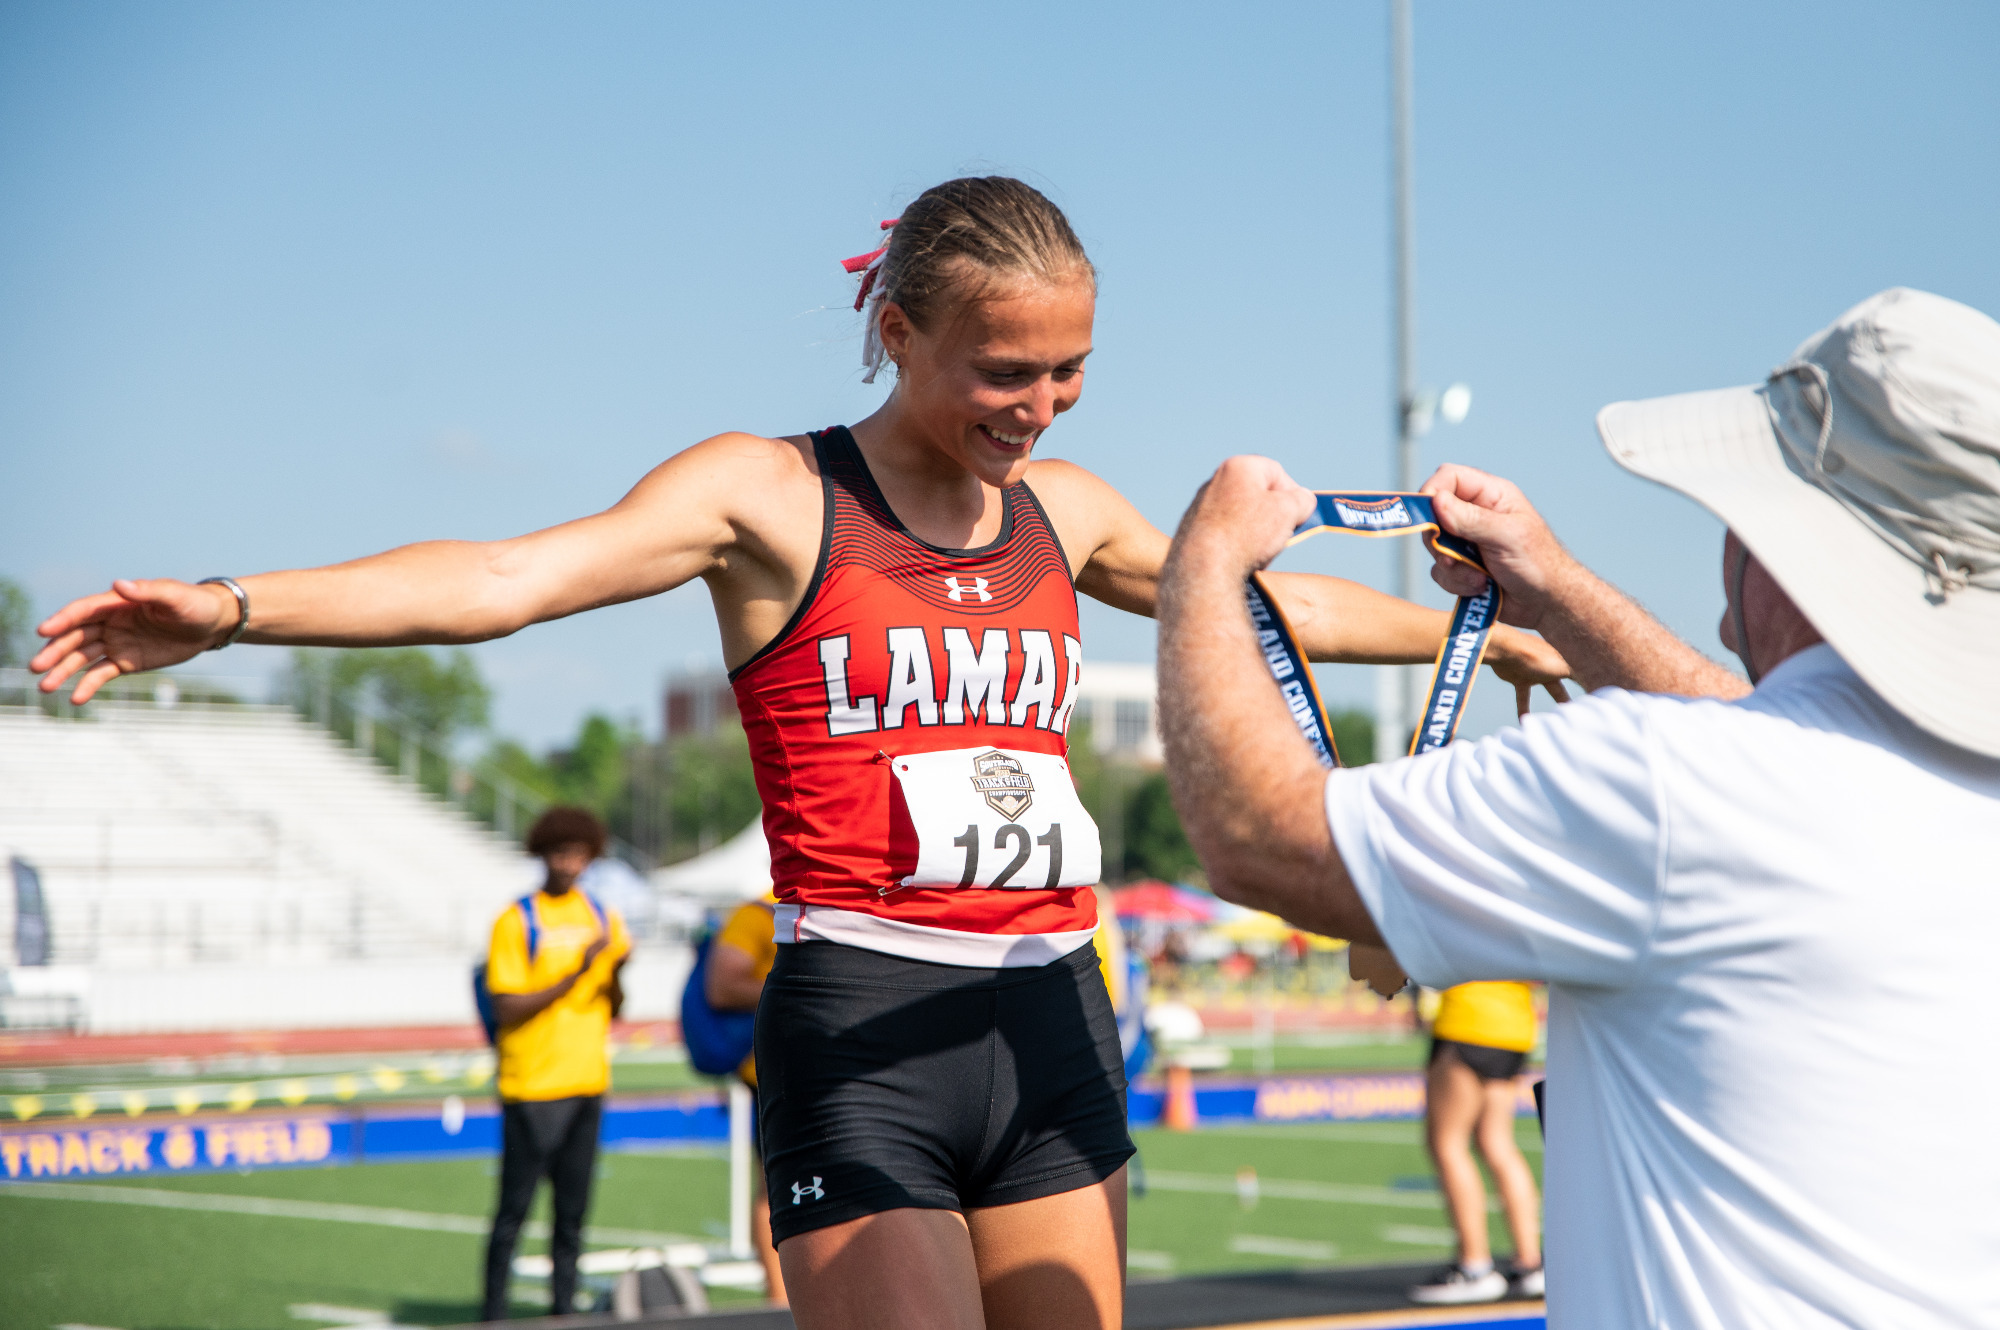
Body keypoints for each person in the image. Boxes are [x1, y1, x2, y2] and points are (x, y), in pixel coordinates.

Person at [28, 175, 1566, 1330]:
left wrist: (1487, 634)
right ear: (895, 331)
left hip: (1055, 1016)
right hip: (868, 1022)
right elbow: (505, 580)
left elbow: (1263, 605)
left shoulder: (1070, 509)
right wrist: (234, 609)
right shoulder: (770, 497)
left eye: (1069, 370)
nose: (1037, 407)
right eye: (1001, 371)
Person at [1154, 286, 2000, 1326]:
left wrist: (1200, 563)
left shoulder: (1668, 785)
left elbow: (1259, 836)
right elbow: (1760, 736)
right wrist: (1550, 587)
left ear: (1784, 539)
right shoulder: (1922, 775)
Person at [480, 807, 632, 1321]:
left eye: (581, 855)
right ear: (543, 854)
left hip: (588, 1080)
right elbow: (506, 1006)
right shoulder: (515, 920)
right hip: (532, 1084)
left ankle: (563, 1312)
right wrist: (577, 971)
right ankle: (492, 1313)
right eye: (562, 852)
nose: (571, 863)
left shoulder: (601, 915)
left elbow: (614, 1002)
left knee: (573, 1216)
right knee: (513, 1213)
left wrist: (613, 975)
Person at [1408, 981, 1541, 1305]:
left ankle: (1474, 1265)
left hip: (1468, 1019)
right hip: (1515, 1024)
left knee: (1446, 1143)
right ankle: (1531, 1263)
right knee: (1497, 1143)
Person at [705, 894, 787, 1306]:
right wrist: (808, 986)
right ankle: (779, 1300)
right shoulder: (758, 913)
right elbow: (723, 985)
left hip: (840, 1068)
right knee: (773, 1188)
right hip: (774, 1072)